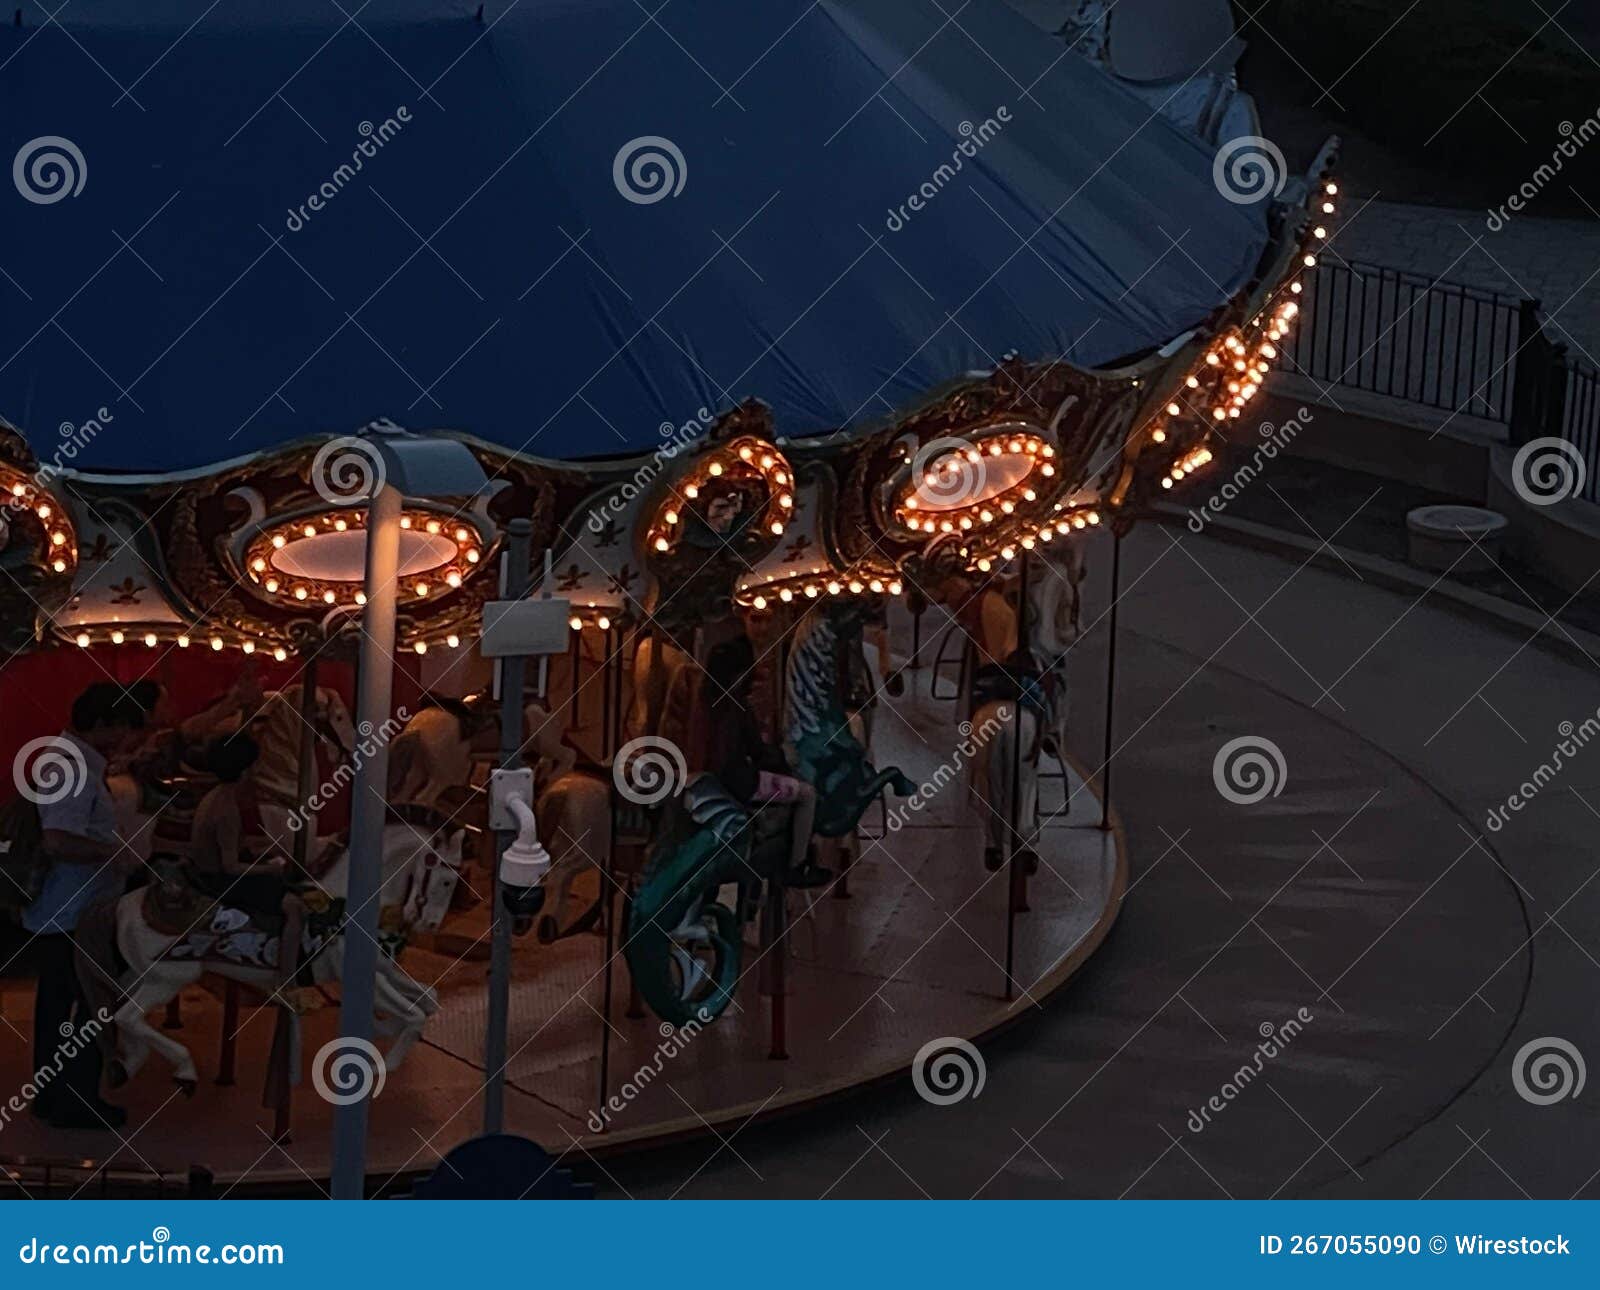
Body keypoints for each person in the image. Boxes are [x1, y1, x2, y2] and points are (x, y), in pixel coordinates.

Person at [23, 683, 146, 1130]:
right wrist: (113, 854)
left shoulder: (75, 759)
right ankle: (73, 1096)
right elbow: (58, 839)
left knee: (62, 1005)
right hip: (74, 910)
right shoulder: (72, 766)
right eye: (123, 729)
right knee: (82, 1004)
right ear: (100, 725)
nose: (128, 739)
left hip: (71, 908)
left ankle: (54, 1095)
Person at [686, 636, 827, 888]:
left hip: (705, 782)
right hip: (741, 785)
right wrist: (783, 758)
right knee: (807, 795)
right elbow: (760, 753)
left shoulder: (701, 703)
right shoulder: (737, 708)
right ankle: (797, 864)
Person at [186, 732, 305, 981]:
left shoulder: (217, 796)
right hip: (218, 880)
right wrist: (269, 869)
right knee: (295, 907)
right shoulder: (226, 808)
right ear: (245, 770)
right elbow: (230, 865)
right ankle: (286, 979)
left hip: (208, 871)